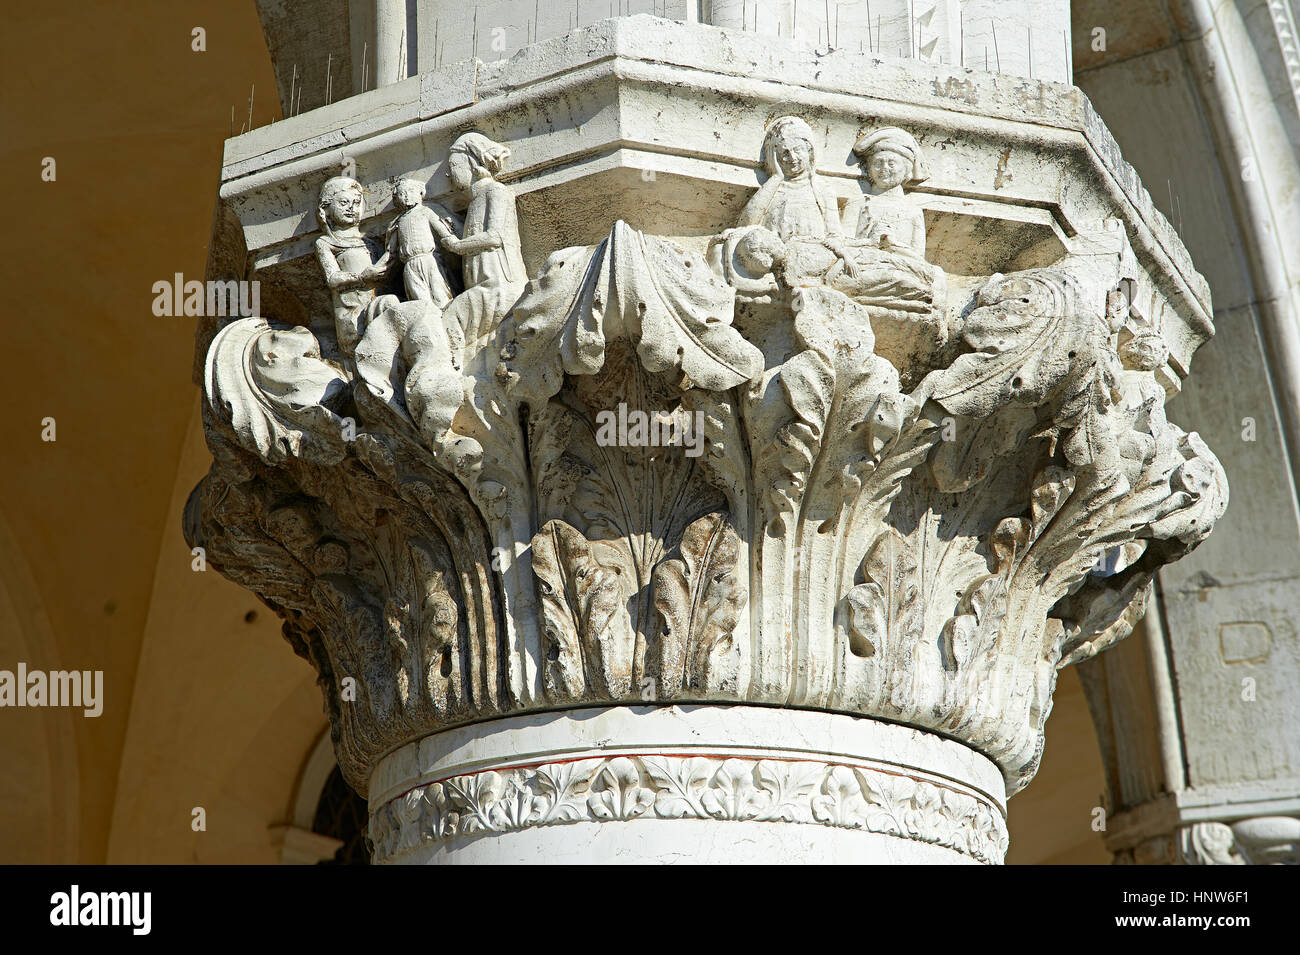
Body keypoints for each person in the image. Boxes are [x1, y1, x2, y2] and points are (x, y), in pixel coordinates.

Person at [314, 176, 400, 357]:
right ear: (326, 209)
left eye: (356, 202)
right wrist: (361, 278)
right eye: (344, 202)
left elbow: (385, 274)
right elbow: (332, 278)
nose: (351, 208)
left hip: (376, 305)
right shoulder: (327, 242)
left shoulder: (368, 243)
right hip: (353, 315)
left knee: (393, 304)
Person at [853, 127, 928, 259]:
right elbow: (843, 243)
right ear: (869, 169)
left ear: (906, 170)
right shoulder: (858, 202)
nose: (884, 168)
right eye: (877, 163)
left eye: (891, 163)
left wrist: (893, 244)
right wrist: (871, 241)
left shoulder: (913, 211)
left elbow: (918, 256)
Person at [386, 177, 458, 306]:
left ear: (420, 193)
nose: (407, 196)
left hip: (429, 260)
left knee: (440, 295)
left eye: (411, 191)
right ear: (396, 199)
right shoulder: (397, 222)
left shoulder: (425, 212)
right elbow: (390, 252)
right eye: (402, 194)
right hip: (409, 264)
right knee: (421, 302)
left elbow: (444, 232)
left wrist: (454, 242)